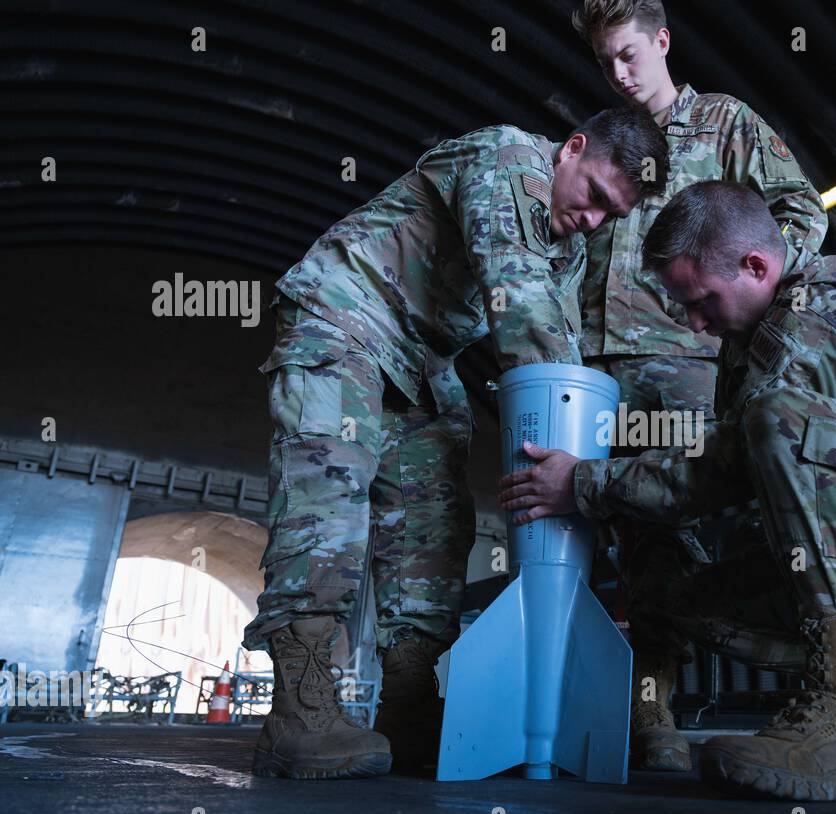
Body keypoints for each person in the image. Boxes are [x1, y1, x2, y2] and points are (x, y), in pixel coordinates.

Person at [499, 181, 836, 800]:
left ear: (757, 266)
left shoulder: (822, 308)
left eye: (703, 301)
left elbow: (724, 464)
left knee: (783, 415)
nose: (697, 324)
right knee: (675, 590)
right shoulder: (745, 343)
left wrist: (584, 481)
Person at [243, 106, 668, 780]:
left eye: (609, 215)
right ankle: (301, 706)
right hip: (345, 315)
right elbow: (521, 308)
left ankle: (408, 703)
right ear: (571, 150)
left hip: (421, 361)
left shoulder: (571, 248)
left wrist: (589, 465)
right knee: (329, 497)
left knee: (437, 519)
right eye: (592, 196)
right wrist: (576, 471)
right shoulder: (508, 160)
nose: (592, 220)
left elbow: (567, 362)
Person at [571, 0, 828, 771]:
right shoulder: (612, 139)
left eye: (629, 55)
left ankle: (657, 717)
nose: (620, 73)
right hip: (593, 366)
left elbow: (800, 213)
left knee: (665, 525)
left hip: (682, 361)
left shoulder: (724, 123)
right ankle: (578, 710)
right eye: (606, 61)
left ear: (662, 42)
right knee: (577, 521)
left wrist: (743, 318)